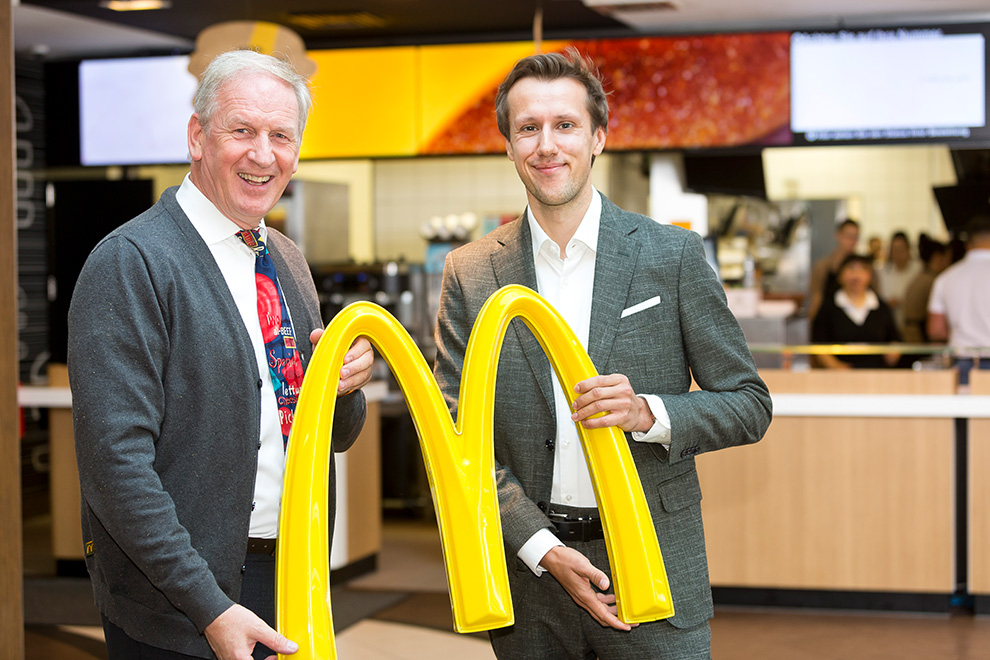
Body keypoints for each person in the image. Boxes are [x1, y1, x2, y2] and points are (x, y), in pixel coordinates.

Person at [432, 50, 772, 660]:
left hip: (655, 567)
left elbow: (749, 404)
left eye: (565, 125)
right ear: (508, 145)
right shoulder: (470, 272)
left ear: (598, 137)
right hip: (531, 577)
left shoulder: (671, 255)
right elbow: (458, 438)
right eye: (528, 128)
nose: (546, 145)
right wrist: (541, 547)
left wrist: (649, 412)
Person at [67, 50, 374, 660]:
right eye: (242, 131)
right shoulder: (131, 262)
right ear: (197, 137)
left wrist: (343, 385)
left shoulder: (285, 260)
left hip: (291, 574)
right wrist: (207, 605)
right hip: (179, 604)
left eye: (281, 136)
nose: (263, 155)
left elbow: (332, 434)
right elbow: (115, 465)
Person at [928, 216, 990, 384]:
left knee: (964, 400)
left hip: (963, 360)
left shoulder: (946, 278)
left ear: (968, 244)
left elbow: (936, 330)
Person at [811, 254, 901, 369]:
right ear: (840, 276)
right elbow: (819, 343)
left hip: (876, 372)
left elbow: (894, 339)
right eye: (851, 268)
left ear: (870, 276)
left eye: (862, 269)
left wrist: (893, 353)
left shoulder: (881, 307)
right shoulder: (828, 307)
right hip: (839, 374)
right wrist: (835, 366)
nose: (856, 275)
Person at [901, 235, 951, 344]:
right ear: (938, 258)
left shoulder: (921, 277)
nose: (948, 263)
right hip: (918, 337)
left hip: (912, 334)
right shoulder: (932, 281)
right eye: (947, 258)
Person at [809, 217, 861, 321]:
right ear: (838, 235)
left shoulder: (865, 268)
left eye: (855, 237)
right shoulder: (823, 266)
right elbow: (816, 297)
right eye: (848, 236)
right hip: (829, 321)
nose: (852, 241)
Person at [875, 231, 921, 334]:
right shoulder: (882, 271)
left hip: (912, 325)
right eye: (895, 249)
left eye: (901, 249)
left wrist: (904, 301)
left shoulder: (918, 269)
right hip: (889, 325)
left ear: (908, 249)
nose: (898, 253)